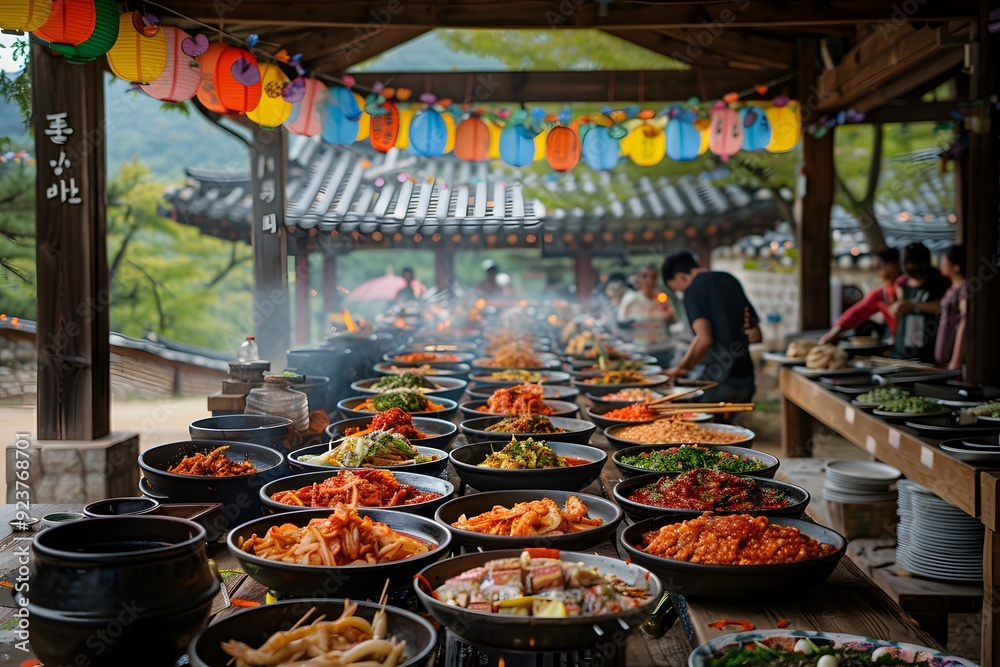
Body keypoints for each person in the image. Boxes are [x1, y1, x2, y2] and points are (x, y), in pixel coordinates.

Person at [661, 251, 761, 404]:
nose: (680, 293)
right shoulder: (729, 279)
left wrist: (681, 368)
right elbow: (756, 335)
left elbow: (704, 338)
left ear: (681, 276)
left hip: (719, 381)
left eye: (677, 289)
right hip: (745, 376)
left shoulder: (692, 290)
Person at [819, 247, 902, 344]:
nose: (879, 272)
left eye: (881, 265)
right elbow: (860, 310)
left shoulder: (911, 289)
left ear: (897, 263)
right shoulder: (883, 294)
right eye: (875, 268)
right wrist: (835, 331)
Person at [888, 242, 949, 363]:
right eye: (908, 268)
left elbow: (944, 307)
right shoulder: (901, 283)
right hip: (903, 347)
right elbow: (897, 311)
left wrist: (914, 306)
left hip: (931, 346)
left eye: (916, 267)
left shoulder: (940, 280)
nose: (913, 272)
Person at [617, 264, 675, 367]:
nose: (649, 280)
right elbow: (622, 322)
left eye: (653, 276)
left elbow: (672, 318)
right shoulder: (631, 299)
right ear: (637, 278)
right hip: (640, 348)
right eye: (644, 276)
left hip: (663, 347)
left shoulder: (662, 297)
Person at [934, 245, 966, 370]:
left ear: (956, 267)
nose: (941, 263)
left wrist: (955, 361)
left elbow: (965, 322)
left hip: (957, 365)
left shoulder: (965, 288)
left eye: (944, 260)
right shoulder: (953, 288)